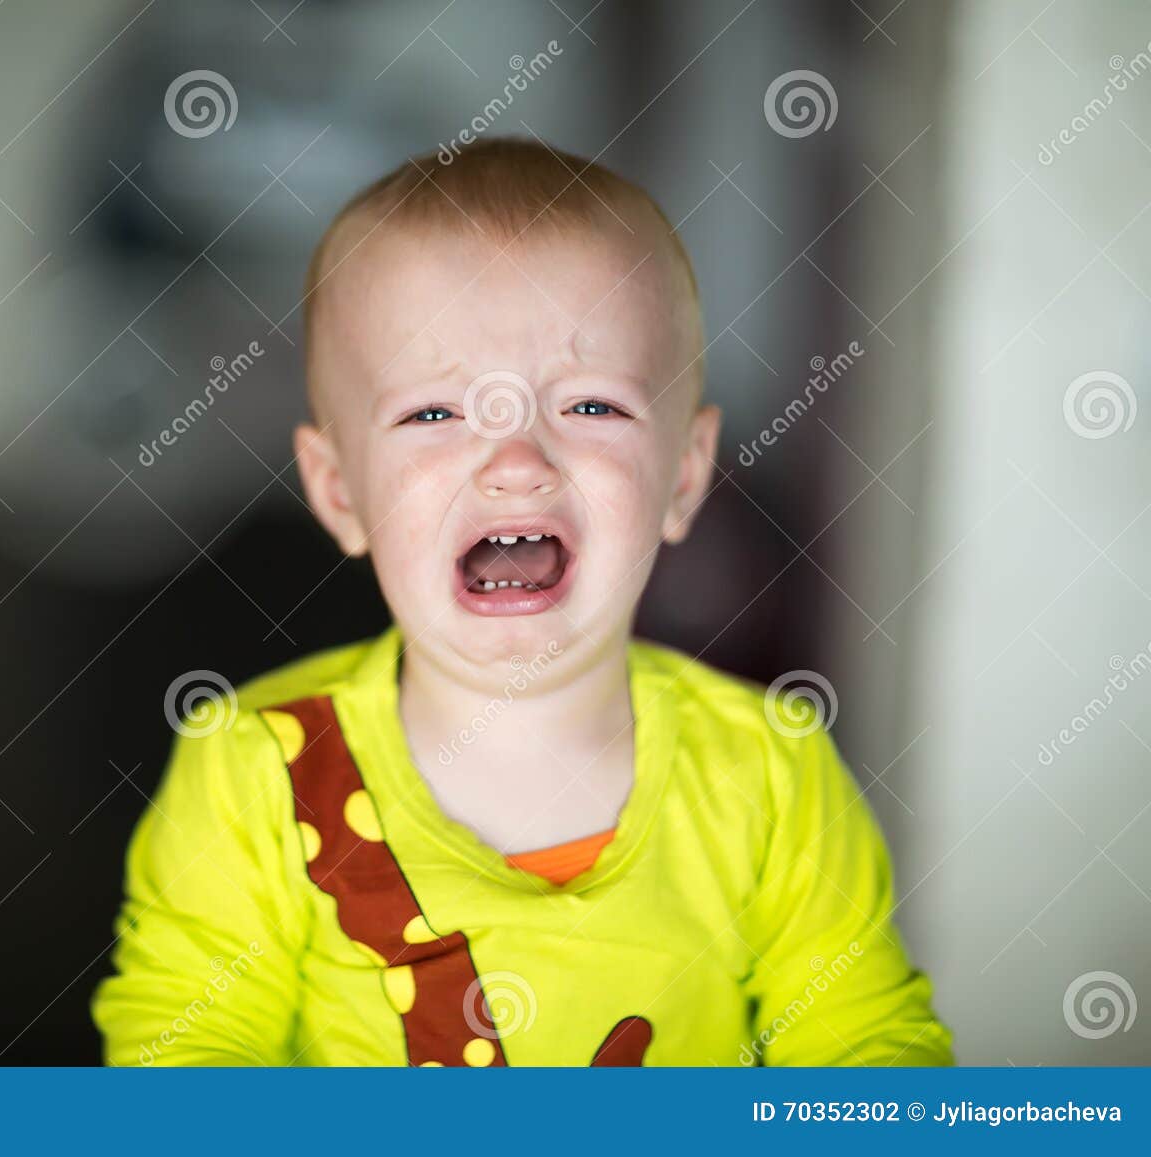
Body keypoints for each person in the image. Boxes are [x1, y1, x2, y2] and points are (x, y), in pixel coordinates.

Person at [92, 138, 953, 1067]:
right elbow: (183, 1059)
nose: (515, 462)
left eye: (590, 407)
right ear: (340, 492)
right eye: (434, 413)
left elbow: (867, 1053)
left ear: (683, 475)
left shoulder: (772, 775)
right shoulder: (257, 772)